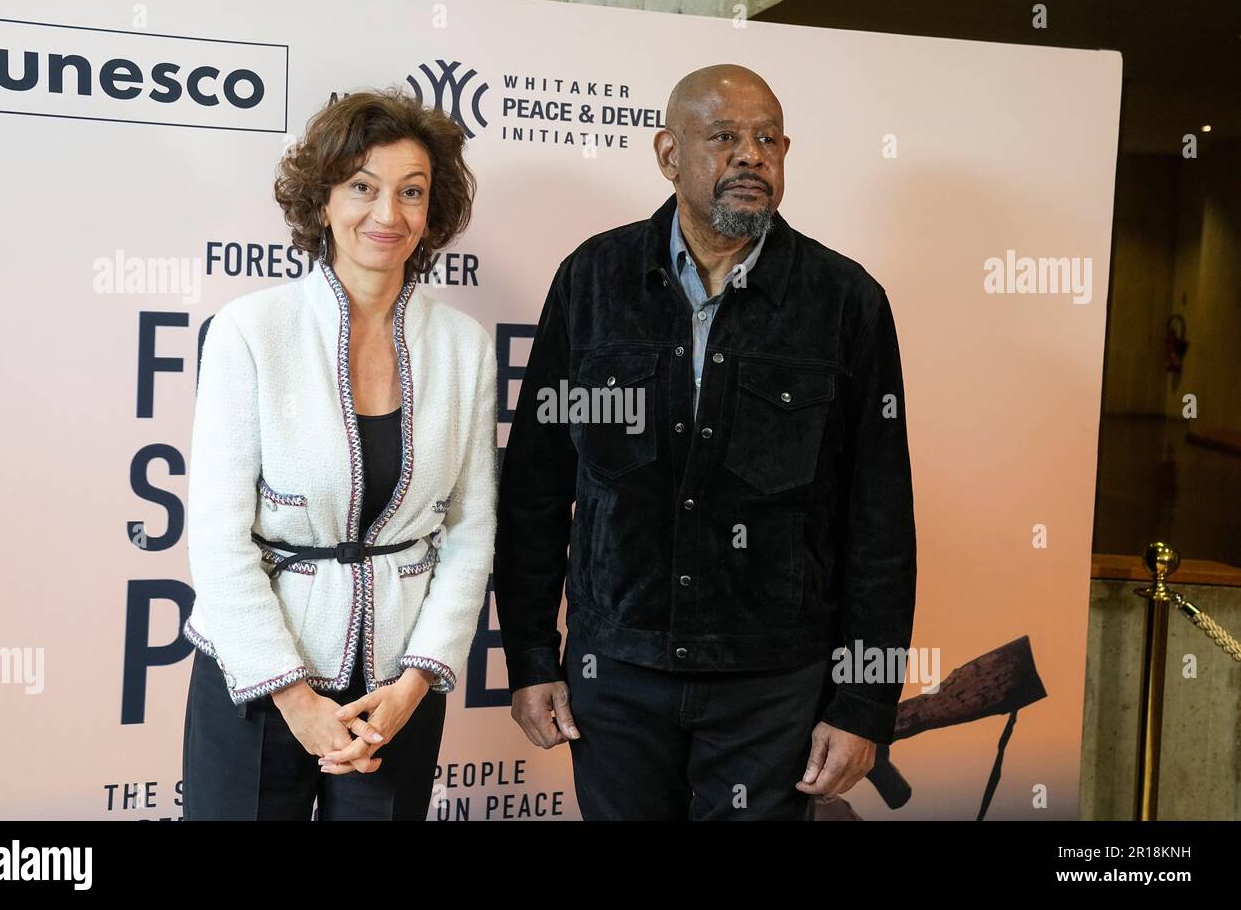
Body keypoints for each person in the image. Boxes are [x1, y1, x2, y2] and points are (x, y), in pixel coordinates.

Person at [495, 65, 917, 820]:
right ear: (669, 154)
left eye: (768, 140)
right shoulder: (593, 281)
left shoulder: (846, 301)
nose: (752, 156)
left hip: (774, 689)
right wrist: (529, 658)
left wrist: (863, 703)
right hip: (615, 675)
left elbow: (880, 521)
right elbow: (534, 487)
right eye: (725, 138)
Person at [181, 89, 497, 820]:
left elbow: (472, 532)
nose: (388, 215)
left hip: (393, 691)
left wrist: (416, 682)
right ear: (321, 201)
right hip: (255, 680)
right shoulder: (251, 331)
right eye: (363, 187)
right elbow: (221, 538)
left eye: (411, 192)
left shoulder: (464, 349)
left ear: (432, 211)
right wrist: (295, 699)